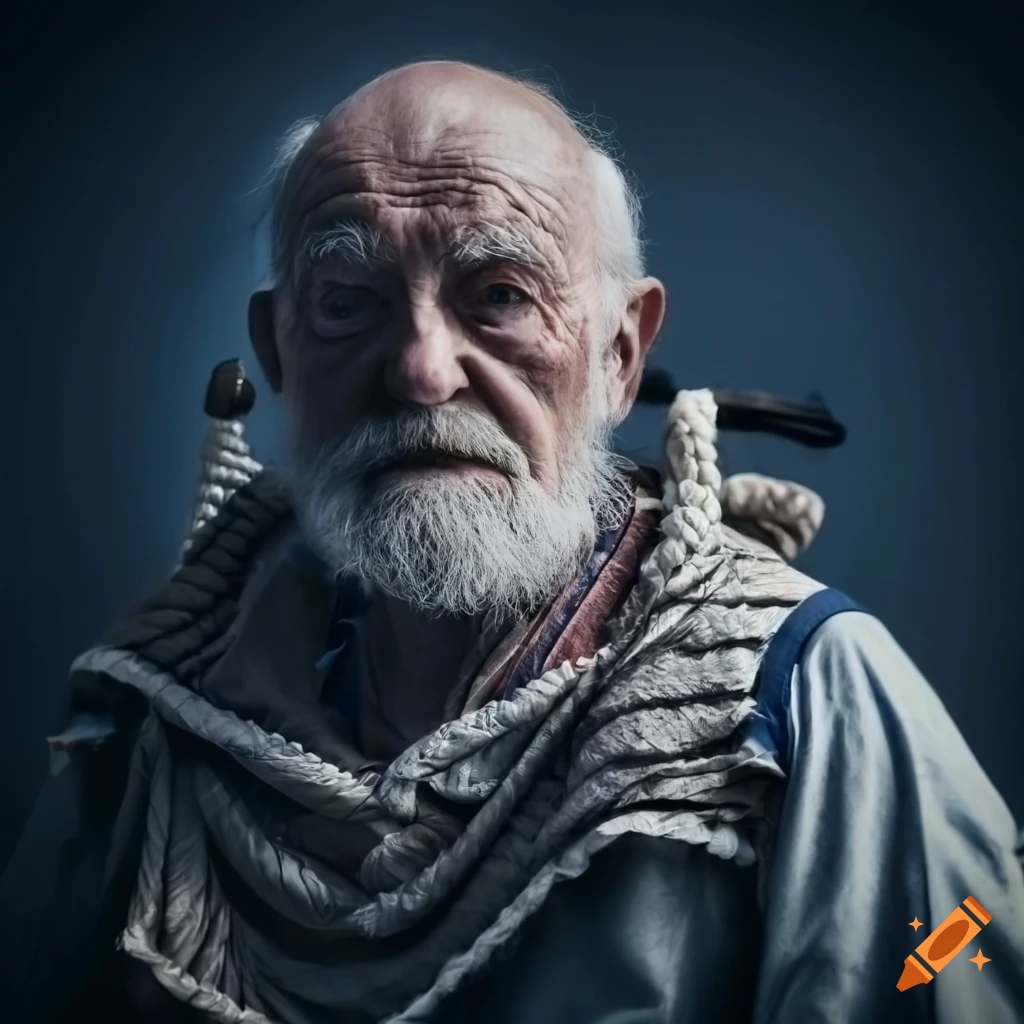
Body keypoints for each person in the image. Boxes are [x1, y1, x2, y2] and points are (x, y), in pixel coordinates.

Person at [2, 60, 1022, 1024]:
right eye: (348, 302)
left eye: (500, 295)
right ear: (278, 352)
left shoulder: (809, 696)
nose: (420, 371)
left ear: (619, 354)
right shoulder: (150, 711)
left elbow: (956, 954)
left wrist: (933, 964)